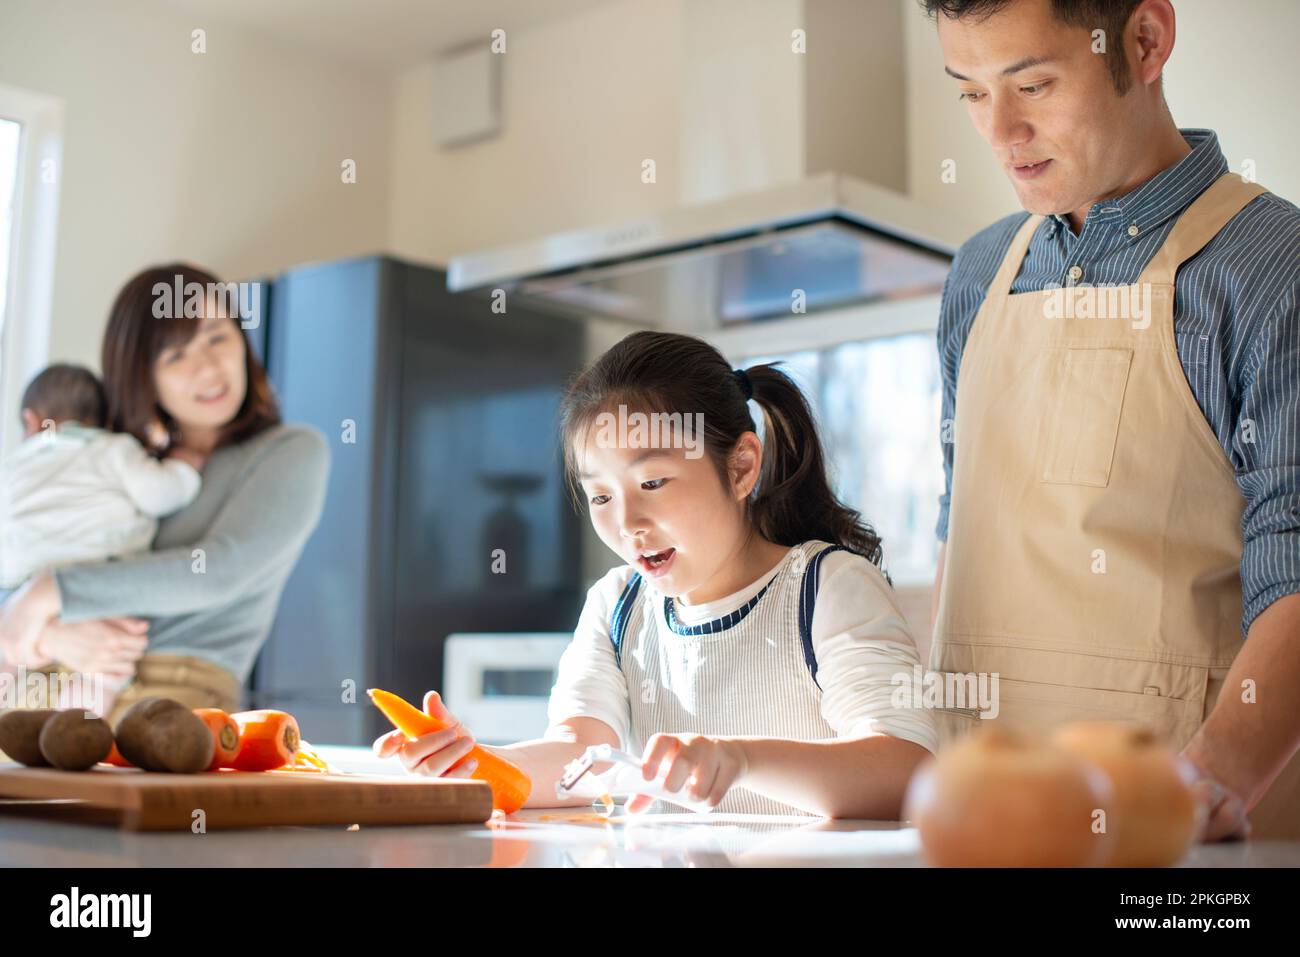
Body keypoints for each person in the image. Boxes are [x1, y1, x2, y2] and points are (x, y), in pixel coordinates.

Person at [921, 0, 1300, 840]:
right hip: (978, 820)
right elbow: (963, 527)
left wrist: (1204, 787)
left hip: (1175, 835)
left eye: (1034, 84)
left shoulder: (1274, 268)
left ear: (1145, 40)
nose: (1001, 132)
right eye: (972, 95)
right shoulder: (979, 273)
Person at [376, 331, 937, 818]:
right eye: (600, 495)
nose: (627, 524)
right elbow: (579, 755)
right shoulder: (617, 604)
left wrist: (737, 760)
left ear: (741, 466)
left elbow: (905, 770)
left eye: (652, 484)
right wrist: (477, 765)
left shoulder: (827, 587)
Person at [0, 264, 330, 731]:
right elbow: (26, 552)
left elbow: (219, 570)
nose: (209, 367)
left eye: (217, 337)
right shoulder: (120, 459)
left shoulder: (289, 451)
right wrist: (49, 631)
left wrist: (53, 592)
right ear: (141, 375)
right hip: (52, 681)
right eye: (176, 355)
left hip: (177, 698)